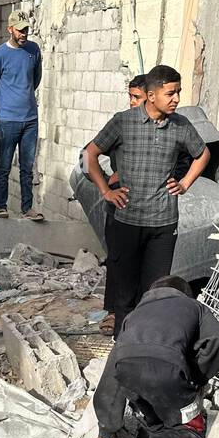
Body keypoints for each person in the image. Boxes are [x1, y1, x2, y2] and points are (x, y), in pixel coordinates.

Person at [84, 64, 210, 336]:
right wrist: (106, 190)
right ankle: (123, 344)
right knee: (125, 291)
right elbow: (91, 154)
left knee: (155, 291)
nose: (176, 99)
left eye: (178, 92)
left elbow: (203, 154)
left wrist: (185, 183)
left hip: (163, 224)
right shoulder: (123, 122)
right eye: (170, 93)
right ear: (151, 96)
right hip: (127, 219)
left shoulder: (181, 126)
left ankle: (147, 343)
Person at [91, 276, 219, 438]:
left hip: (128, 375)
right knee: (191, 430)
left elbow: (112, 369)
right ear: (185, 294)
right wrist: (195, 377)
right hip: (169, 371)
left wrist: (108, 426)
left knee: (158, 426)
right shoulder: (194, 306)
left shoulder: (133, 316)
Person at [96, 75, 149, 335]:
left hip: (149, 212)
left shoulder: (165, 128)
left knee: (143, 266)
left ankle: (138, 316)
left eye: (136, 97)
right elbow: (88, 157)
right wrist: (107, 184)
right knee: (118, 263)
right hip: (120, 207)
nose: (131, 102)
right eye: (130, 96)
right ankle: (114, 313)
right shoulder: (122, 125)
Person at [0, 9, 44, 220]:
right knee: (5, 165)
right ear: (10, 29)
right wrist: (7, 99)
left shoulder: (33, 50)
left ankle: (27, 208)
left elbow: (36, 79)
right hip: (8, 120)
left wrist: (23, 95)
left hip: (30, 119)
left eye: (26, 29)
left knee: (27, 168)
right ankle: (1, 206)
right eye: (20, 30)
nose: (24, 33)